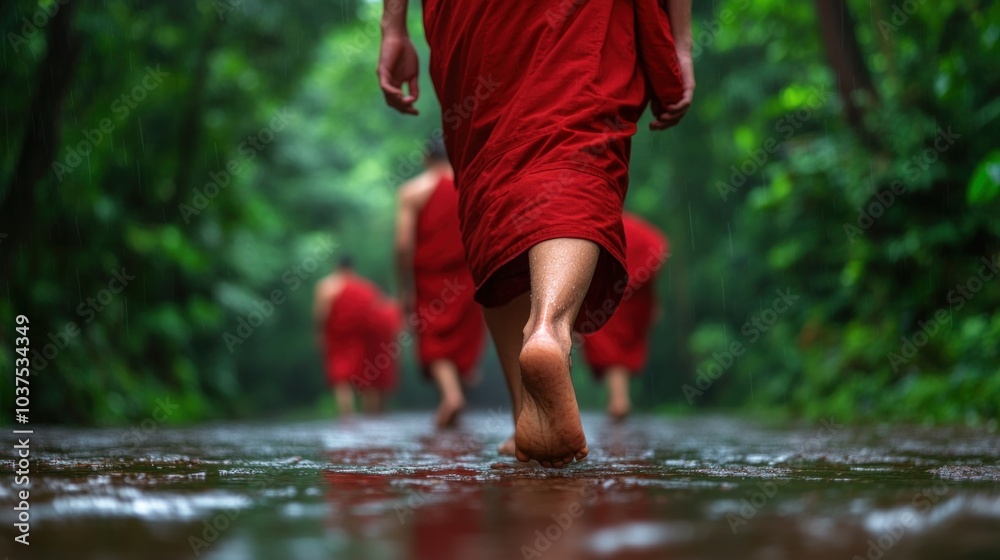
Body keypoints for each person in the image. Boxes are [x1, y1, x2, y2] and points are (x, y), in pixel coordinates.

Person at [378, 0, 694, 467]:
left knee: (493, 175)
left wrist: (393, 26)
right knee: (577, 146)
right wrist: (681, 43)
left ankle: (525, 410)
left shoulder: (415, 192)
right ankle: (550, 329)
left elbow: (405, 244)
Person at [396, 139, 486, 427]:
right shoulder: (471, 186)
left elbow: (402, 245)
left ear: (425, 158)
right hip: (468, 275)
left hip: (431, 276)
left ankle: (451, 396)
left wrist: (404, 286)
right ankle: (454, 395)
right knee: (461, 335)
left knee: (434, 335)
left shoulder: (412, 192)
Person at [581, 212, 669, 420]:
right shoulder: (627, 229)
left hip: (609, 295)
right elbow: (655, 250)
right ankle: (619, 400)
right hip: (622, 294)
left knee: (612, 348)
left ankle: (618, 401)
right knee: (616, 347)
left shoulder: (604, 226)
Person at [315, 257, 399, 415]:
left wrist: (320, 336)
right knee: (368, 376)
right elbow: (378, 315)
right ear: (353, 268)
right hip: (362, 339)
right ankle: (371, 417)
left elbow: (320, 316)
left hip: (338, 339)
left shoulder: (327, 287)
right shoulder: (367, 288)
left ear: (336, 267)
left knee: (341, 377)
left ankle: (346, 416)